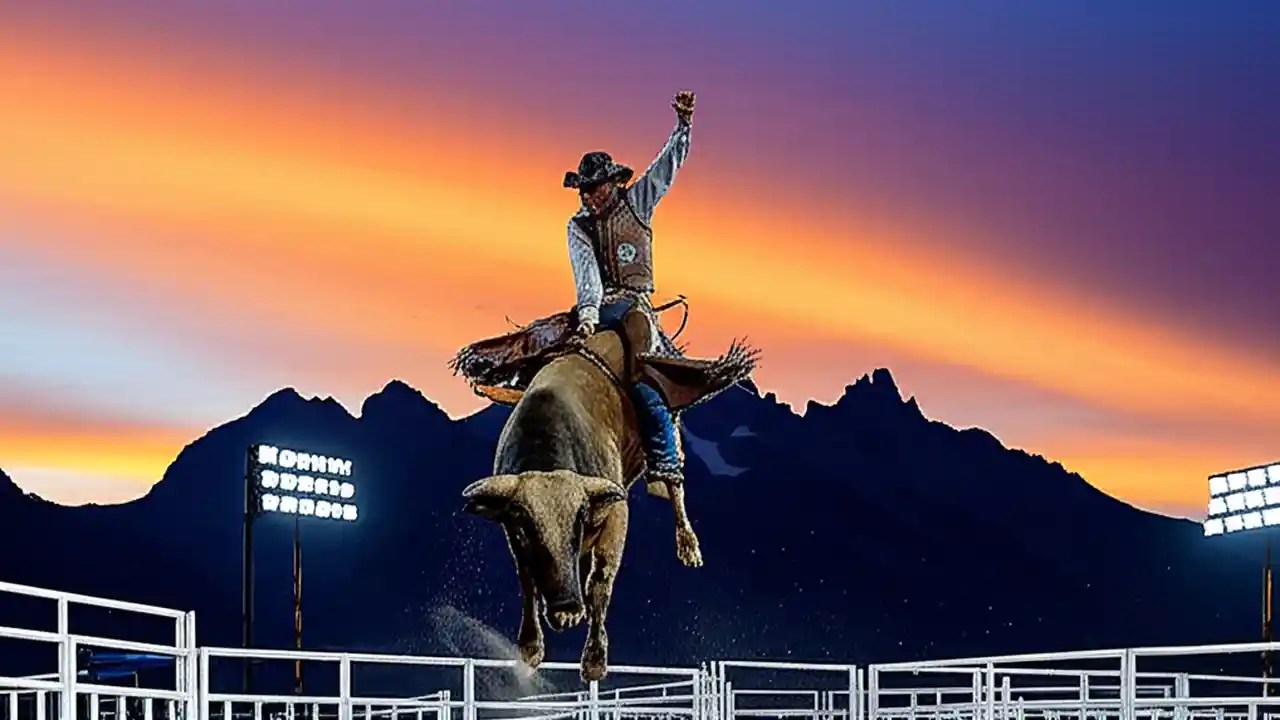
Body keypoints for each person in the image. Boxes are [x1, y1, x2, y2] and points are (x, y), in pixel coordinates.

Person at [560, 90, 696, 489]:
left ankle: (663, 458)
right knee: (558, 349)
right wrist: (586, 319)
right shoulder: (578, 226)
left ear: (612, 184)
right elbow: (587, 276)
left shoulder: (638, 201)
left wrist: (683, 127)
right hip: (599, 306)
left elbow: (665, 168)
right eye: (584, 190)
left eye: (595, 187)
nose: (589, 196)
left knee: (642, 369)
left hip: (635, 305)